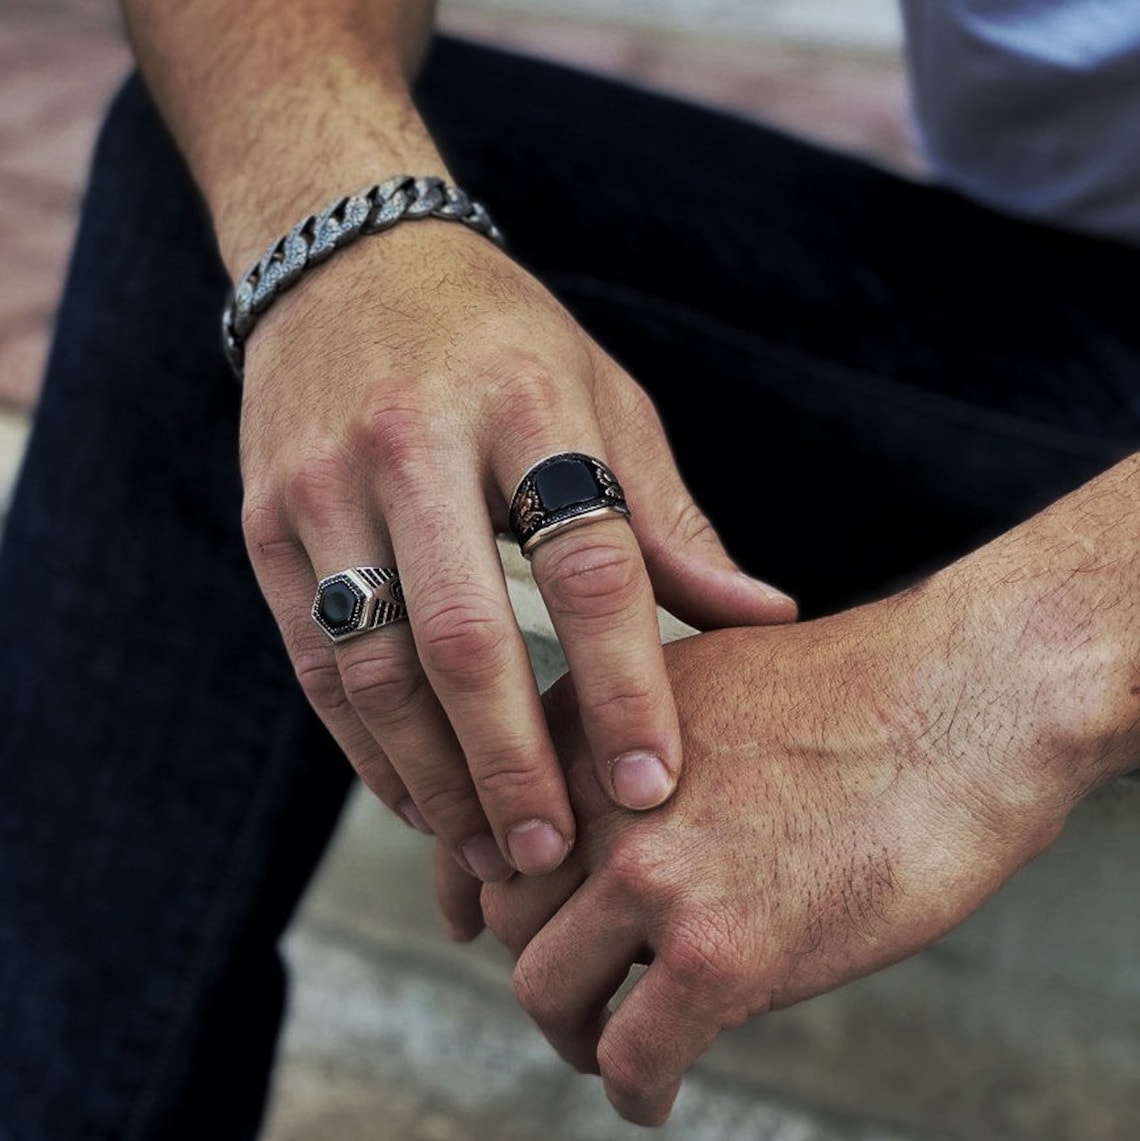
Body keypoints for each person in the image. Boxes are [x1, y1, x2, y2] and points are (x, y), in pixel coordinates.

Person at [0, 0, 1136, 1137]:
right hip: (1049, 299)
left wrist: (970, 689)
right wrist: (343, 247)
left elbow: (978, 689)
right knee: (262, 207)